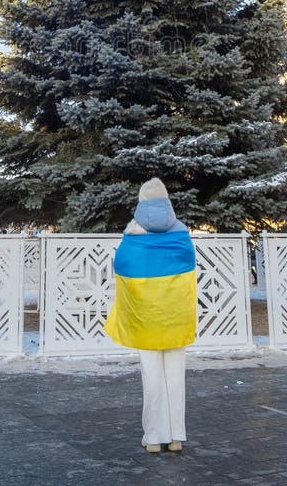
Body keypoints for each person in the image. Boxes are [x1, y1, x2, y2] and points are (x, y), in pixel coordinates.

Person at [104, 177, 196, 453]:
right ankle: (176, 436)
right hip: (176, 317)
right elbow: (188, 272)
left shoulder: (133, 233)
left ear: (141, 202)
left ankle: (154, 437)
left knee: (152, 376)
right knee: (176, 376)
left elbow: (122, 267)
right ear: (167, 201)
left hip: (145, 319)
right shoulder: (181, 233)